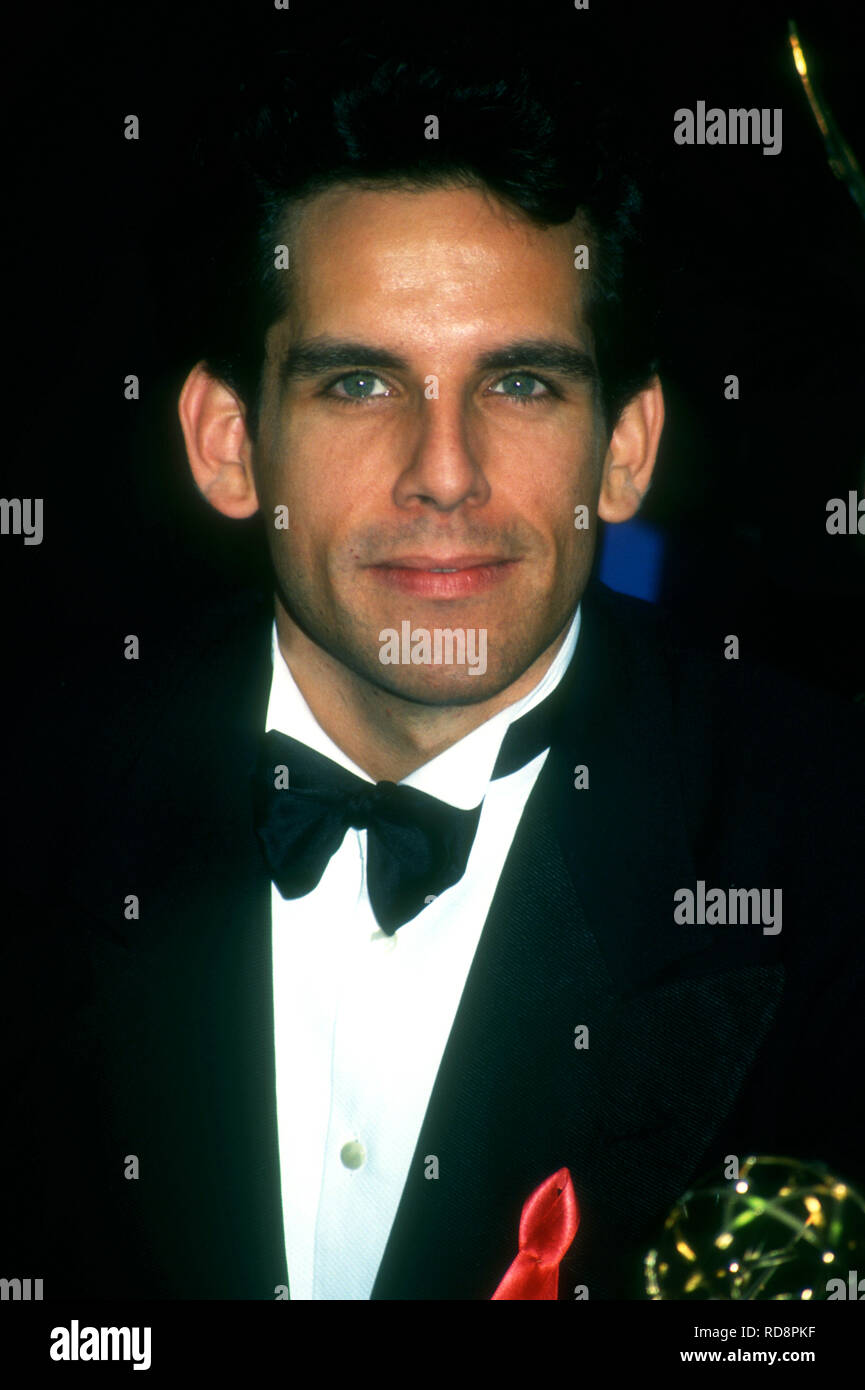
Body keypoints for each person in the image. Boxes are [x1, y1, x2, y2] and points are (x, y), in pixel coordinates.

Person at [3, 44, 863, 1303]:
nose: (445, 471)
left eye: (519, 382)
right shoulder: (31, 809)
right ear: (229, 445)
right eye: (358, 383)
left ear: (625, 451)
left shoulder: (831, 844)